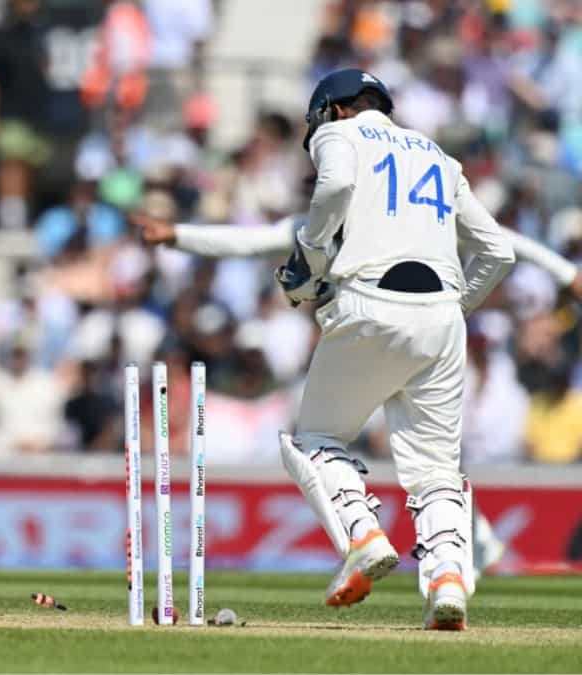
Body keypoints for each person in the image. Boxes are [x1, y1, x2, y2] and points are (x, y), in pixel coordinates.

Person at [132, 186, 582, 580]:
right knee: (415, 458)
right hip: (393, 341)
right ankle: (460, 550)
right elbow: (252, 241)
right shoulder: (317, 223)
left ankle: (372, 541)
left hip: (399, 338)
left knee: (326, 442)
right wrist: (178, 236)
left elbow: (501, 240)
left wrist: (566, 274)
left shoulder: (400, 211)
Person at [255, 69, 512, 630]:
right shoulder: (440, 157)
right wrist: (450, 309)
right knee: (437, 471)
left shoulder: (339, 134)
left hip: (368, 305)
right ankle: (448, 581)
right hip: (443, 320)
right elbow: (498, 252)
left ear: (336, 109)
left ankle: (363, 537)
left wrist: (313, 251)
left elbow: (339, 187)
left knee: (317, 440)